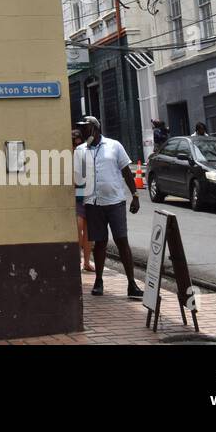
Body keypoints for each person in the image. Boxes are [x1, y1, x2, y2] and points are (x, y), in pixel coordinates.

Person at [74, 116, 143, 299]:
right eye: (82, 129)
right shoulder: (80, 151)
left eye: (86, 128)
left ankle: (132, 284)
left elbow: (126, 172)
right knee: (100, 243)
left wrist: (135, 195)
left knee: (122, 241)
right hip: (93, 203)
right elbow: (78, 179)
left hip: (115, 202)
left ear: (95, 129)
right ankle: (98, 281)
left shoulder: (114, 146)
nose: (83, 132)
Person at [72, 125, 94, 273]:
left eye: (79, 143)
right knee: (79, 227)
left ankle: (86, 261)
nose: (77, 147)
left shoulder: (87, 154)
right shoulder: (71, 156)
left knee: (88, 231)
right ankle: (79, 259)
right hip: (78, 195)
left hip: (88, 194)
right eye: (75, 144)